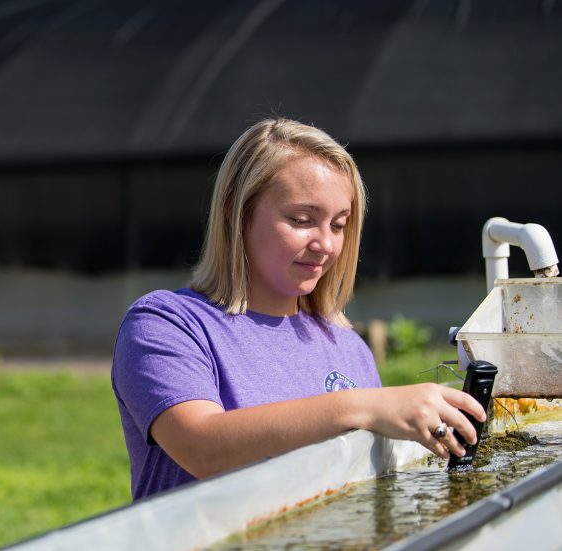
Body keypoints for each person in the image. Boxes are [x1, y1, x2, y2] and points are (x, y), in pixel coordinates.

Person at [111, 118, 488, 500]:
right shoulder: (166, 324)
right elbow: (201, 447)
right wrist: (362, 406)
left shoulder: (347, 347)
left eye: (339, 225)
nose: (325, 244)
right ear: (236, 213)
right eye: (302, 220)